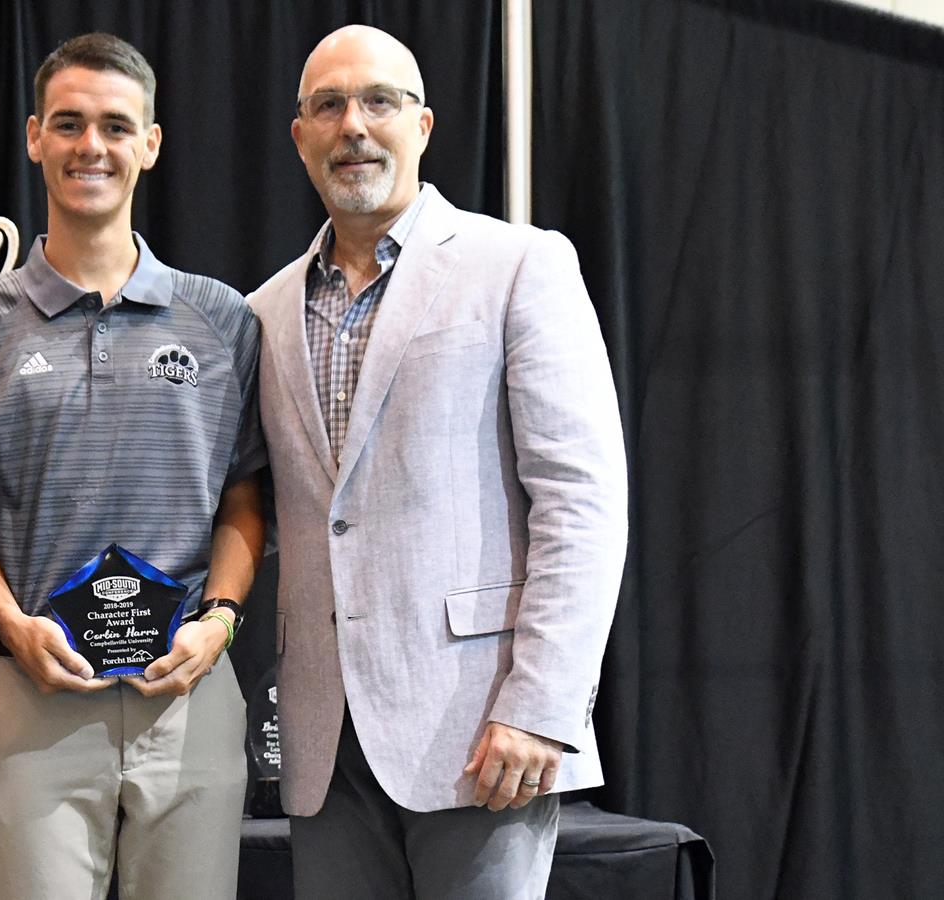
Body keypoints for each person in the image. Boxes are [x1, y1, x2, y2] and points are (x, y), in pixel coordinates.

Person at [248, 25, 628, 899]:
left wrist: (541, 706)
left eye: (379, 101)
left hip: (485, 734)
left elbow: (582, 503)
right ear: (299, 134)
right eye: (328, 105)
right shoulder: (260, 310)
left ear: (422, 125)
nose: (354, 125)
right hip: (323, 743)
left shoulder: (521, 264)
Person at [0, 33, 265, 900]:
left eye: (116, 126)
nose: (92, 147)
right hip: (34, 689)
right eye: (69, 124)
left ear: (150, 144)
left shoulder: (221, 317)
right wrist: (10, 623)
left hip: (188, 691)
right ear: (35, 136)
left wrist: (218, 622)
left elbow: (245, 496)